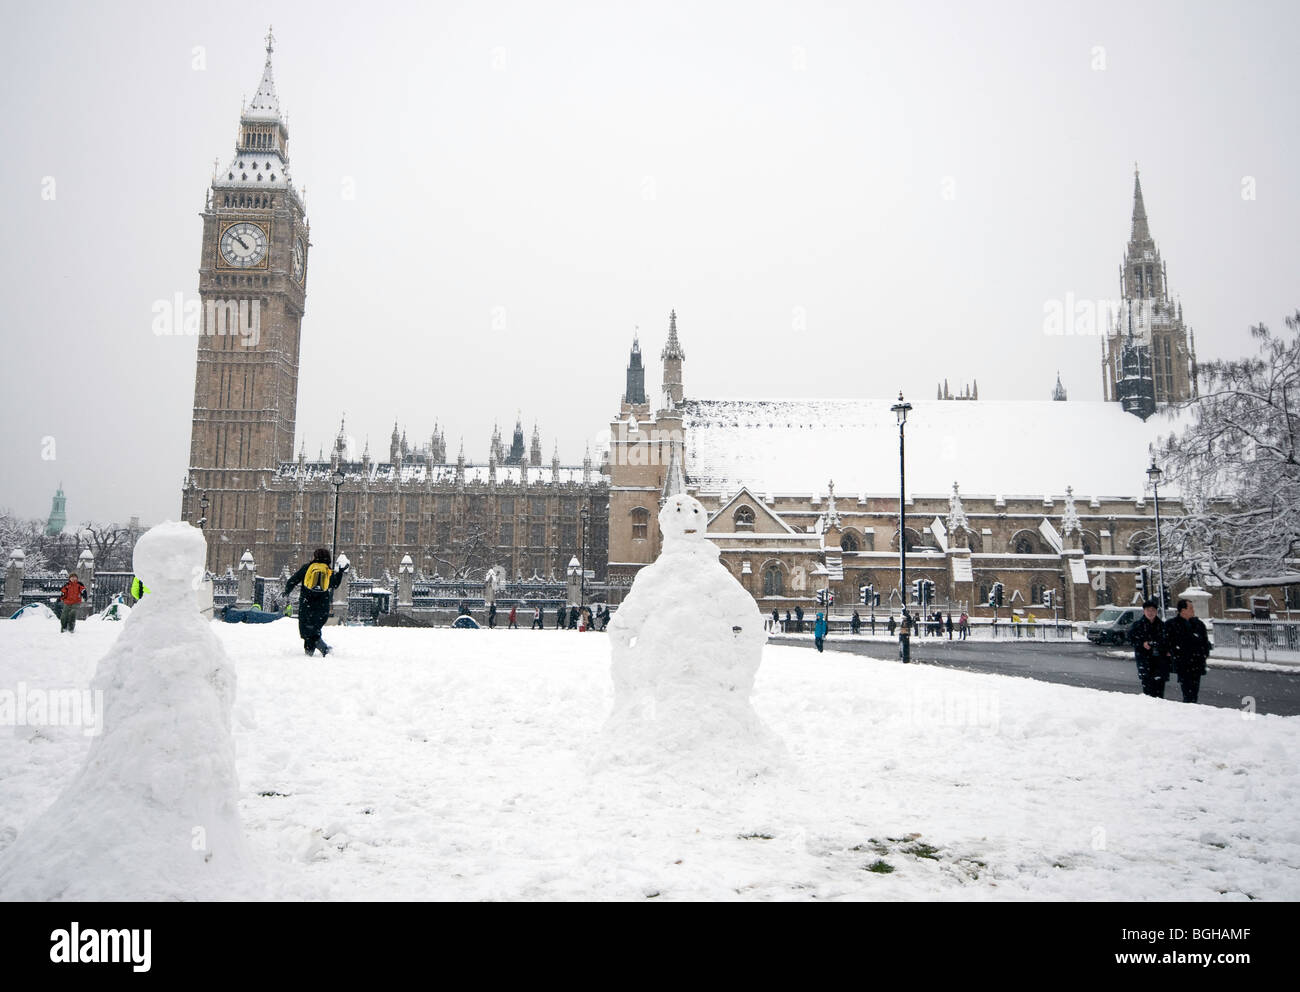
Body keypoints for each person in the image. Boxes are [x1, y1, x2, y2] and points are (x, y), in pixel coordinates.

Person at [284, 548, 349, 658]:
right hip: (322, 605)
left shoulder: (307, 568)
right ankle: (310, 653)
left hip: (306, 603)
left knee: (307, 630)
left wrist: (287, 591)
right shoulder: (328, 570)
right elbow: (335, 585)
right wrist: (340, 572)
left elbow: (292, 580)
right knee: (314, 629)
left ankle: (324, 649)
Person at [1167, 598, 1210, 703]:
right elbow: (1169, 643)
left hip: (1197, 663)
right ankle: (1188, 712)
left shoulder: (1199, 624)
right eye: (1190, 608)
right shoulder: (1172, 624)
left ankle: (1193, 710)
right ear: (1183, 610)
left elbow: (1205, 642)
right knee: (1187, 693)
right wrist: (1176, 653)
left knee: (1195, 692)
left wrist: (1204, 653)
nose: (1193, 610)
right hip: (1183, 664)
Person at [1128, 598, 1169, 698]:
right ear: (1144, 611)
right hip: (1145, 662)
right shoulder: (1137, 625)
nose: (1150, 613)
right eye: (1148, 610)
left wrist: (1166, 650)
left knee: (1159, 692)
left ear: (1156, 611)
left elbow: (1168, 641)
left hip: (1159, 662)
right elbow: (1131, 639)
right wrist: (1142, 643)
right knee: (1148, 693)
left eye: (1153, 610)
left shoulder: (1162, 626)